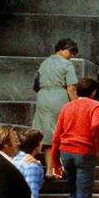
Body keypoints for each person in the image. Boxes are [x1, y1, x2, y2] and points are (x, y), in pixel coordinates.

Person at [49, 77, 99, 198]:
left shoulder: (67, 107)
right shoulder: (96, 106)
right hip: (85, 151)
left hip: (66, 151)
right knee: (83, 196)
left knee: (73, 193)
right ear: (93, 92)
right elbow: (95, 126)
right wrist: (98, 146)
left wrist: (55, 163)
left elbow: (57, 134)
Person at [32, 39, 78, 173]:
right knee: (61, 132)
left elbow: (36, 84)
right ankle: (58, 168)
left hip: (43, 97)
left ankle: (49, 171)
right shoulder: (67, 65)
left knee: (47, 134)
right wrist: (75, 104)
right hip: (59, 96)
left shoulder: (44, 63)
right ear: (61, 49)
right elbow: (71, 88)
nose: (72, 55)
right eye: (71, 51)